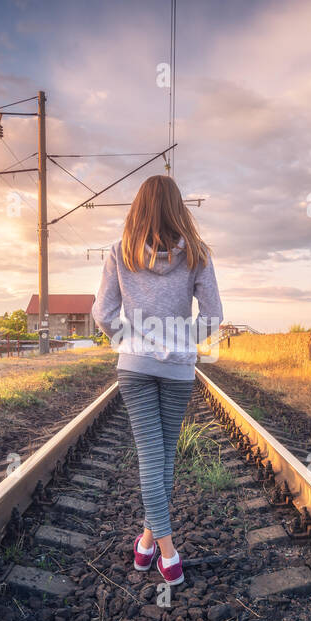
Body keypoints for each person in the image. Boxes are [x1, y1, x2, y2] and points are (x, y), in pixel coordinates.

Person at [91, 175, 224, 587]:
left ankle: (147, 544)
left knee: (156, 456)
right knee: (161, 457)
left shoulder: (120, 252)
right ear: (178, 209)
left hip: (134, 366)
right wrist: (185, 340)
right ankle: (168, 552)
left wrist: (126, 339)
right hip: (177, 369)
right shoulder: (197, 254)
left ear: (138, 209)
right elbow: (214, 315)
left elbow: (102, 313)